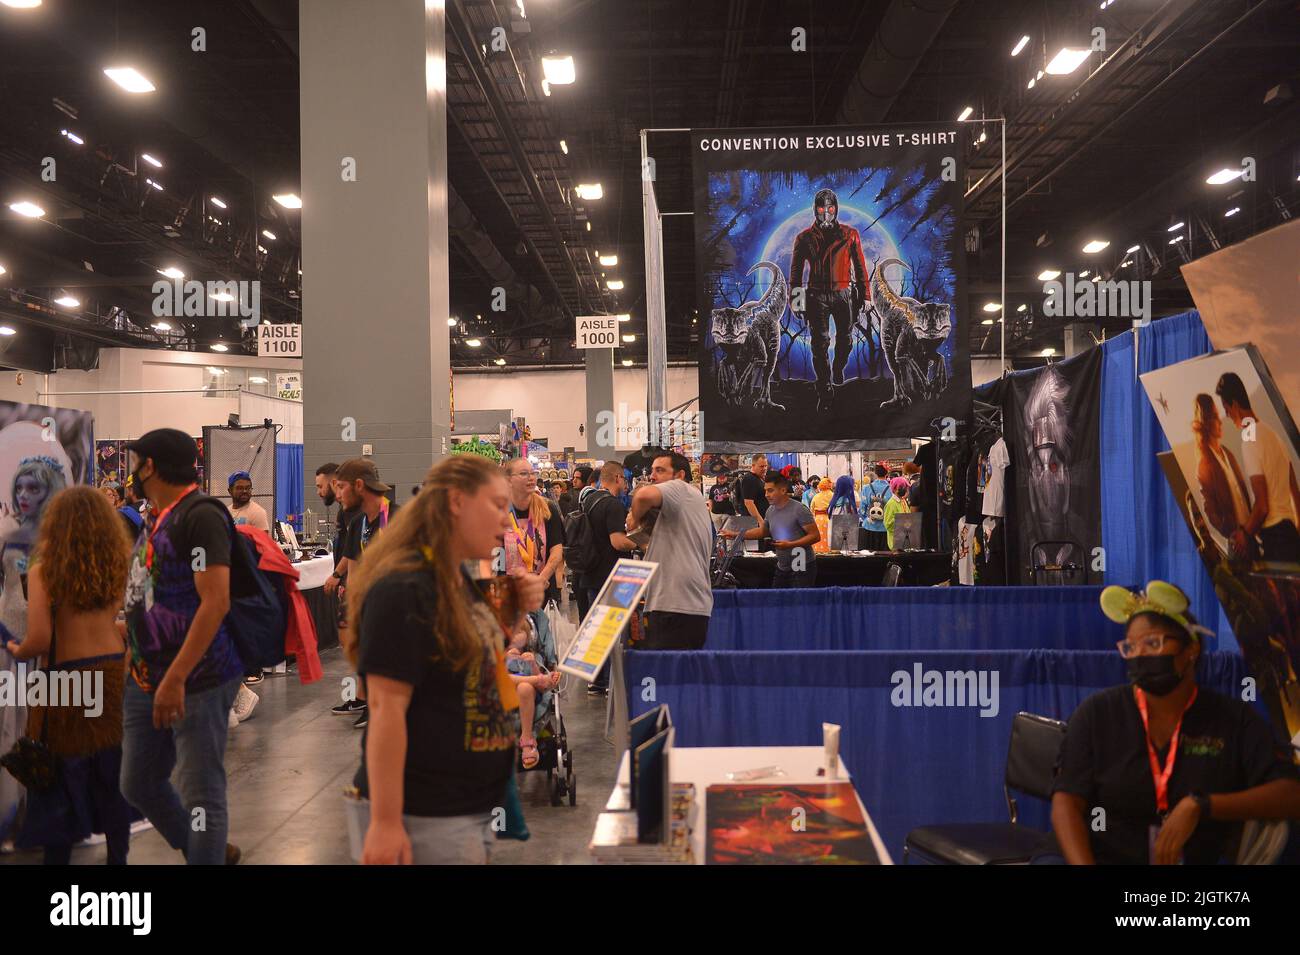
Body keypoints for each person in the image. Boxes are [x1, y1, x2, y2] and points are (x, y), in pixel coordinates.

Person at [345, 454, 544, 864]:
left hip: (464, 809)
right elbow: (384, 709)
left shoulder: (453, 577)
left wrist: (517, 605)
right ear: (456, 501)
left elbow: (467, 650)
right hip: (424, 814)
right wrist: (385, 822)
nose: (507, 521)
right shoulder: (404, 589)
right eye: (496, 504)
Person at [1051, 580, 1300, 864]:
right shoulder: (1097, 714)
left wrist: (1204, 805)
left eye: (1153, 643)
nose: (1141, 655)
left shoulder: (1233, 719)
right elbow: (1066, 802)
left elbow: (1291, 795)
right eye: (1131, 647)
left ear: (1190, 650)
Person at [119, 429, 242, 865]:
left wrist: (176, 677)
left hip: (198, 677)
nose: (132, 471)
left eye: (136, 462)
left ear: (150, 465)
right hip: (145, 675)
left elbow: (215, 600)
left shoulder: (200, 515)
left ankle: (205, 852)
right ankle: (202, 851)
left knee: (201, 791)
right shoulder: (156, 515)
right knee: (137, 782)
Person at [6, 486, 136, 864]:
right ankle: (118, 860)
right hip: (112, 671)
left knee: (58, 777)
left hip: (66, 682)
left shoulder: (45, 570)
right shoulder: (116, 563)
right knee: (111, 775)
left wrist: (17, 650)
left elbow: (40, 638)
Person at [0, 454, 67, 846]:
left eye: (34, 487)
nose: (24, 495)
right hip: (11, 644)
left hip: (50, 646)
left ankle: (44, 815)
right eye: (19, 487)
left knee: (43, 729)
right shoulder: (7, 536)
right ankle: (14, 817)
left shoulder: (62, 540)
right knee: (12, 730)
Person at [330, 458, 398, 728]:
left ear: (359, 486)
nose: (338, 495)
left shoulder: (398, 519)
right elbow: (354, 567)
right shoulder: (358, 523)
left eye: (342, 487)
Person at [627, 452, 713, 649]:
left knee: (671, 675)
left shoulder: (680, 489)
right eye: (651, 471)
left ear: (680, 475)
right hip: (676, 606)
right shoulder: (683, 504)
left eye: (660, 470)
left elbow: (642, 496)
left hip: (677, 607)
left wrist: (635, 518)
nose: (652, 476)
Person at [1216, 373, 1300, 563]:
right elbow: (1295, 494)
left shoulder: (1249, 438)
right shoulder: (1273, 435)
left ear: (1235, 405)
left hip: (1276, 539)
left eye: (1227, 409)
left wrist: (1244, 534)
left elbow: (1262, 506)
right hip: (1291, 538)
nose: (1227, 416)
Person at [580, 461, 639, 694]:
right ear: (617, 478)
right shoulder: (612, 505)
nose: (625, 484)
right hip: (610, 574)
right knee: (610, 631)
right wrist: (643, 541)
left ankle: (596, 680)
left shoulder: (590, 500)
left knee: (597, 629)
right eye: (624, 479)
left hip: (591, 572)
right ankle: (606, 680)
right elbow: (618, 541)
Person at [724, 472, 820, 587]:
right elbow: (762, 532)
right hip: (782, 566)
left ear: (783, 490)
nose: (766, 494)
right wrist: (735, 535)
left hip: (801, 565)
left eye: (770, 490)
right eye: (765, 490)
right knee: (777, 599)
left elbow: (815, 536)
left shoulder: (799, 510)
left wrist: (790, 544)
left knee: (799, 602)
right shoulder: (770, 510)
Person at [1191, 394, 1252, 552]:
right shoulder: (1204, 465)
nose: (1221, 421)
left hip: (1251, 533)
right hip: (1237, 545)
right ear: (1207, 423)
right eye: (1216, 416)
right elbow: (1210, 511)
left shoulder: (1227, 453)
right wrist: (1231, 532)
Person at [502, 458, 565, 606]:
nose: (531, 478)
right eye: (524, 473)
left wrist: (541, 580)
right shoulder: (498, 511)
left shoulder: (547, 509)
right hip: (509, 592)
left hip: (542, 590)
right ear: (508, 480)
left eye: (533, 473)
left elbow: (556, 551)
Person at [860, 465, 893, 550]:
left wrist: (867, 518)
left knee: (869, 556)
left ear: (875, 473)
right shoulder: (892, 489)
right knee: (884, 557)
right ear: (887, 473)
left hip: (869, 526)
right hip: (885, 528)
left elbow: (862, 509)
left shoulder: (866, 488)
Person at [736, 454, 770, 523]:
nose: (764, 468)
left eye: (766, 466)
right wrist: (761, 521)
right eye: (761, 466)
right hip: (753, 522)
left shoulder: (759, 478)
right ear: (753, 466)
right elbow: (749, 503)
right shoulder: (749, 478)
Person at [883, 476, 913, 550]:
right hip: (896, 542)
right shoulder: (891, 504)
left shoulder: (903, 501)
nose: (905, 489)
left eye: (906, 487)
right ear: (895, 488)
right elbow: (888, 524)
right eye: (902, 487)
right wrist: (902, 522)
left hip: (906, 540)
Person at [810, 477, 833, 554]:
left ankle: (818, 552)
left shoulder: (816, 496)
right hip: (828, 518)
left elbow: (811, 508)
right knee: (827, 536)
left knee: (819, 537)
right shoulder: (833, 495)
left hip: (818, 519)